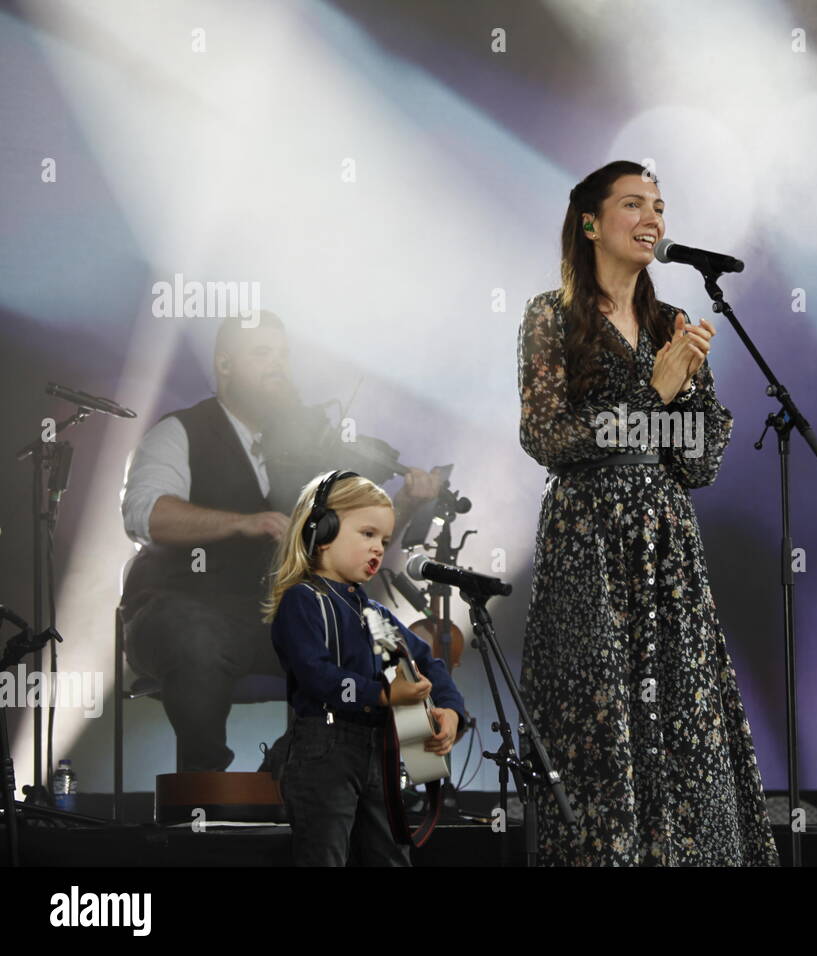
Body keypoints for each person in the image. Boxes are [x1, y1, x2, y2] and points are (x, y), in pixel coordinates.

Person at [516, 160, 779, 865]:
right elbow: (547, 437)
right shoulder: (551, 315)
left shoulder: (671, 322)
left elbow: (697, 461)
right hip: (587, 540)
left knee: (682, 720)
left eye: (659, 205)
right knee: (598, 720)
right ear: (591, 222)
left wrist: (688, 391)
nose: (653, 218)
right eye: (633, 204)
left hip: (664, 544)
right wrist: (653, 397)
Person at [120, 311, 448, 771]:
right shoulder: (179, 432)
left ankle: (391, 785)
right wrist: (244, 523)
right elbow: (146, 514)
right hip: (180, 608)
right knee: (196, 633)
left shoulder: (302, 450)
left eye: (284, 355)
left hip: (269, 618)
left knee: (386, 646)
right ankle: (204, 787)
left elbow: (355, 554)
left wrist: (408, 505)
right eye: (263, 354)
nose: (279, 366)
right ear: (226, 365)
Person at [264, 470, 468, 866]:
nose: (378, 549)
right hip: (324, 750)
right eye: (367, 534)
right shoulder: (302, 600)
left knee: (391, 857)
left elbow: (426, 660)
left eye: (385, 541)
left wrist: (451, 710)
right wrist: (382, 694)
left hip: (381, 752)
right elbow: (317, 674)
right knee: (325, 856)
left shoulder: (375, 615)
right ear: (322, 530)